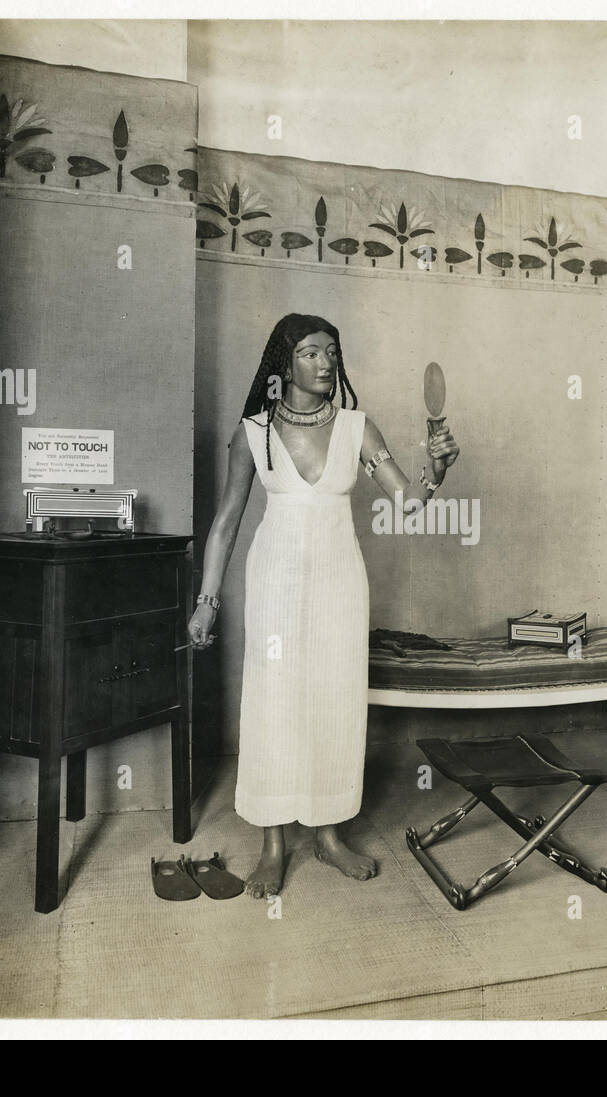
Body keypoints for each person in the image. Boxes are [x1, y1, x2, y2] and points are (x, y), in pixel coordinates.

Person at [188, 314, 460, 898]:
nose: (325, 362)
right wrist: (206, 601)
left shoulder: (359, 427)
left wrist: (437, 469)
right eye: (311, 353)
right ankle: (273, 845)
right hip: (275, 580)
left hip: (340, 579)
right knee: (273, 700)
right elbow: (225, 523)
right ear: (283, 364)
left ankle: (330, 836)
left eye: (331, 351)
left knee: (335, 699)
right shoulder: (253, 433)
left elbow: (408, 502)